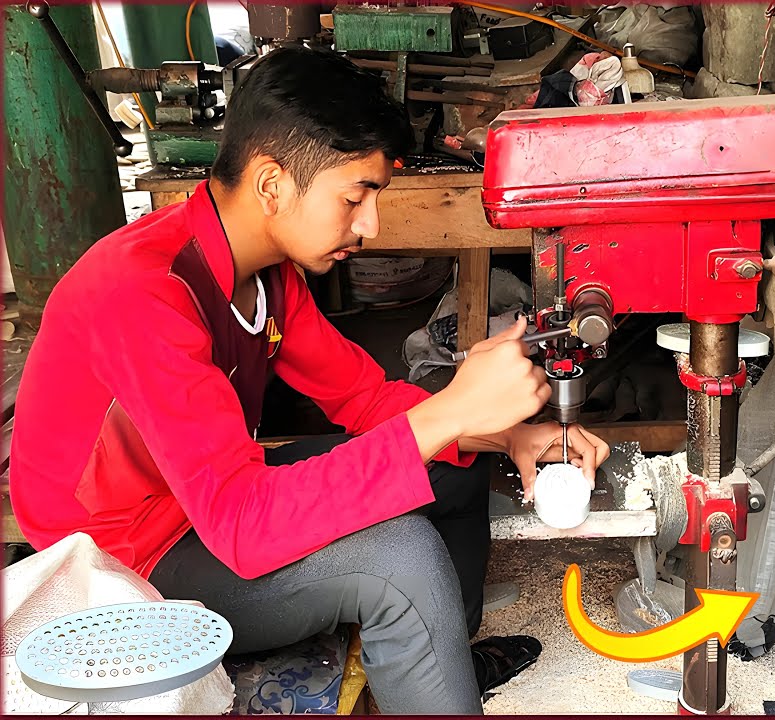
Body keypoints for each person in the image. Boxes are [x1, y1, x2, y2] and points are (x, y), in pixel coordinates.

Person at [9, 47, 609, 714]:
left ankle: (436, 665)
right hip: (125, 557)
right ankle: (425, 661)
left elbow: (362, 397)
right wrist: (449, 413)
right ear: (272, 184)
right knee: (398, 561)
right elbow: (240, 523)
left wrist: (508, 434)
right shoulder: (142, 291)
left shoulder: (264, 273)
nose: (370, 225)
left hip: (202, 496)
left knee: (453, 462)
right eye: (355, 196)